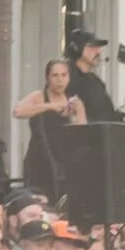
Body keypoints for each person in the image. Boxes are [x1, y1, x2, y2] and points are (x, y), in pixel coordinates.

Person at [13, 61, 85, 201]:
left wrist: (75, 114)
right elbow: (18, 112)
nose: (60, 80)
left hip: (64, 159)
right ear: (48, 78)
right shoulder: (38, 96)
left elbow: (82, 133)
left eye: (63, 75)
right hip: (39, 158)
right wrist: (50, 106)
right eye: (55, 75)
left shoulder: (74, 101)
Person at [63, 29, 120, 124]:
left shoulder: (96, 82)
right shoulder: (66, 77)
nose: (98, 52)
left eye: (98, 48)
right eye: (92, 47)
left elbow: (107, 116)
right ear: (76, 49)